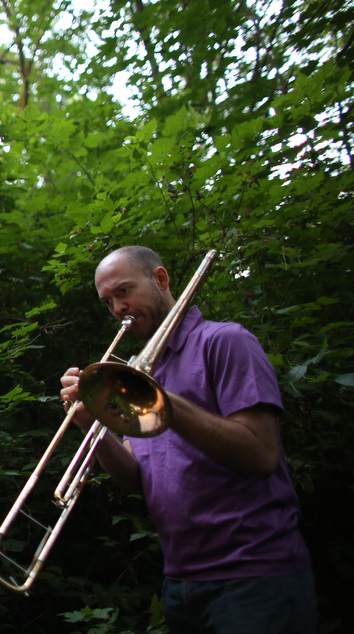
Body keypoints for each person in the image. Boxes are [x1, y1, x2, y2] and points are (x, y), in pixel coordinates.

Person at [59, 246, 315, 634]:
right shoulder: (139, 374)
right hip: (180, 582)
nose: (117, 309)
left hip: (255, 576)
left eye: (124, 292)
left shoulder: (225, 341)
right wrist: (89, 424)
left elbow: (261, 455)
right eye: (108, 301)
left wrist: (160, 399)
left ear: (160, 280)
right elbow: (135, 477)